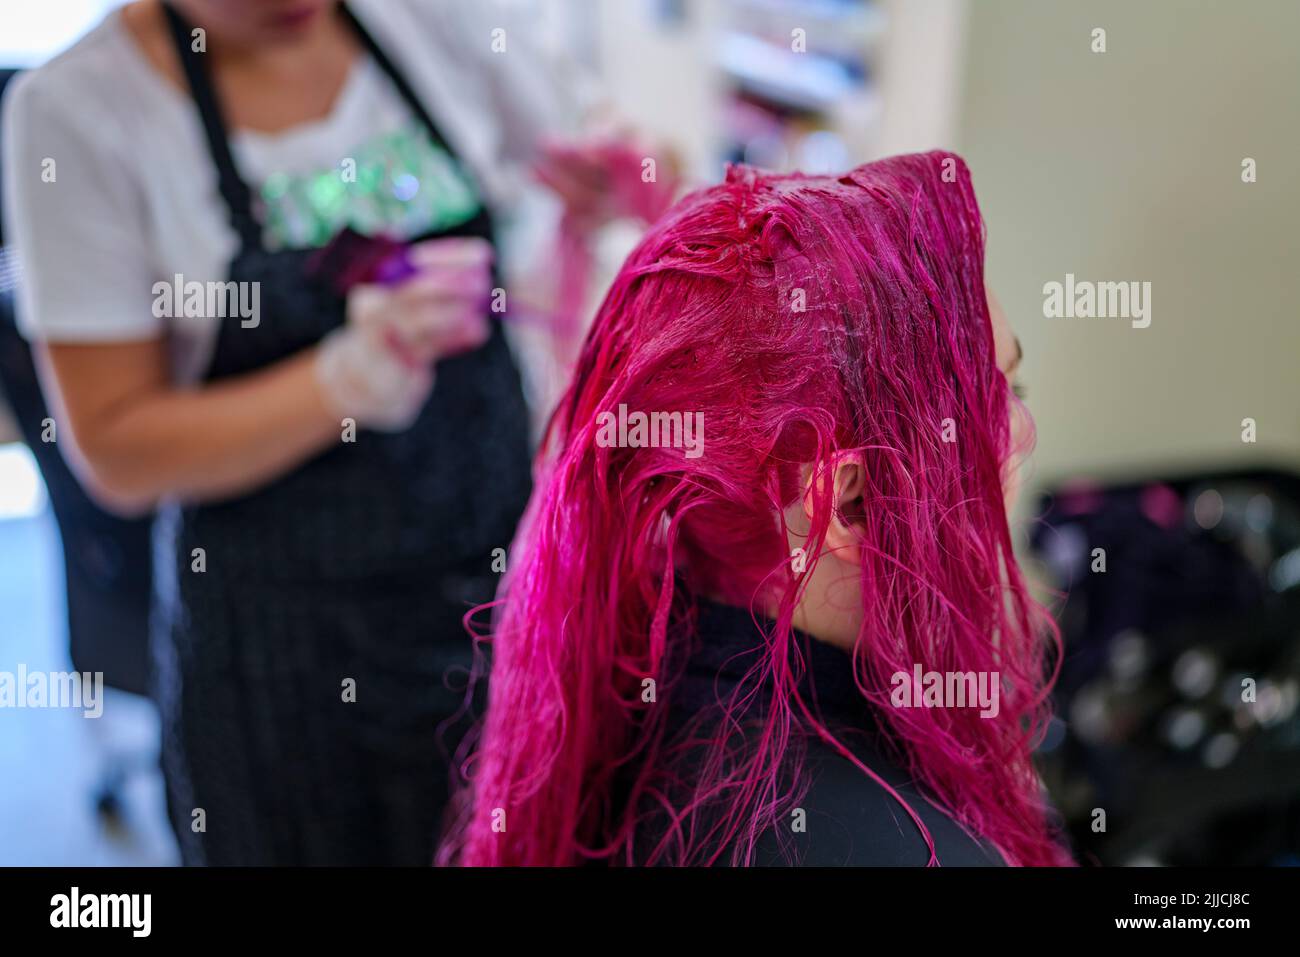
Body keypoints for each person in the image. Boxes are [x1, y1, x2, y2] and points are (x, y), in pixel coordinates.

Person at [2, 0, 660, 865]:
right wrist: (340, 383)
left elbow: (591, 138)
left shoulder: (428, 20)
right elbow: (118, 449)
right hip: (283, 651)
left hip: (500, 585)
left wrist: (622, 170)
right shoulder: (75, 112)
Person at [440, 153, 1073, 866]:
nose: (1023, 435)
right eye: (989, 401)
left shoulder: (622, 704)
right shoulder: (912, 851)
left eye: (1017, 386)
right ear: (849, 503)